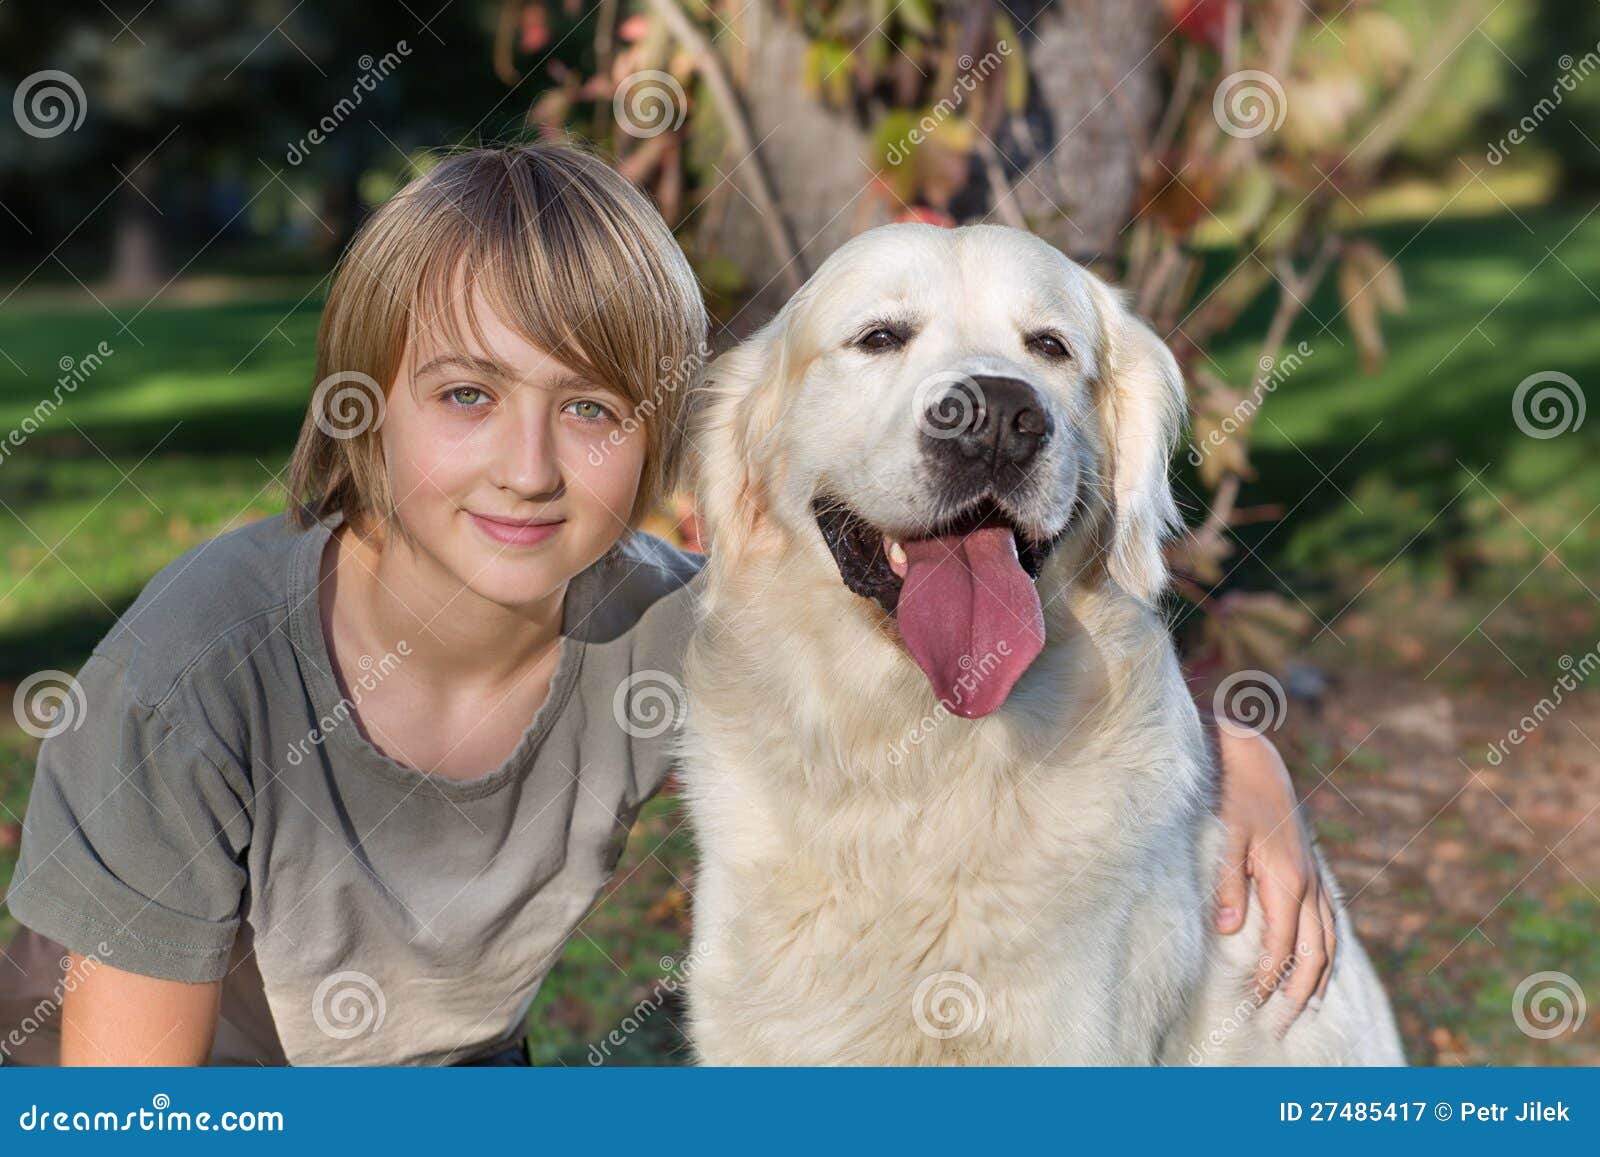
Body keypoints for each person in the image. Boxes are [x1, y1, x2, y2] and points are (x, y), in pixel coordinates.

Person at [1, 141, 1333, 1068]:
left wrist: (1244, 761)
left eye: (588, 409)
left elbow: (948, 683)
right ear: (358, 412)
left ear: (668, 447)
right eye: (465, 395)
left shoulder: (656, 630)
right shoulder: (196, 679)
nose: (527, 467)